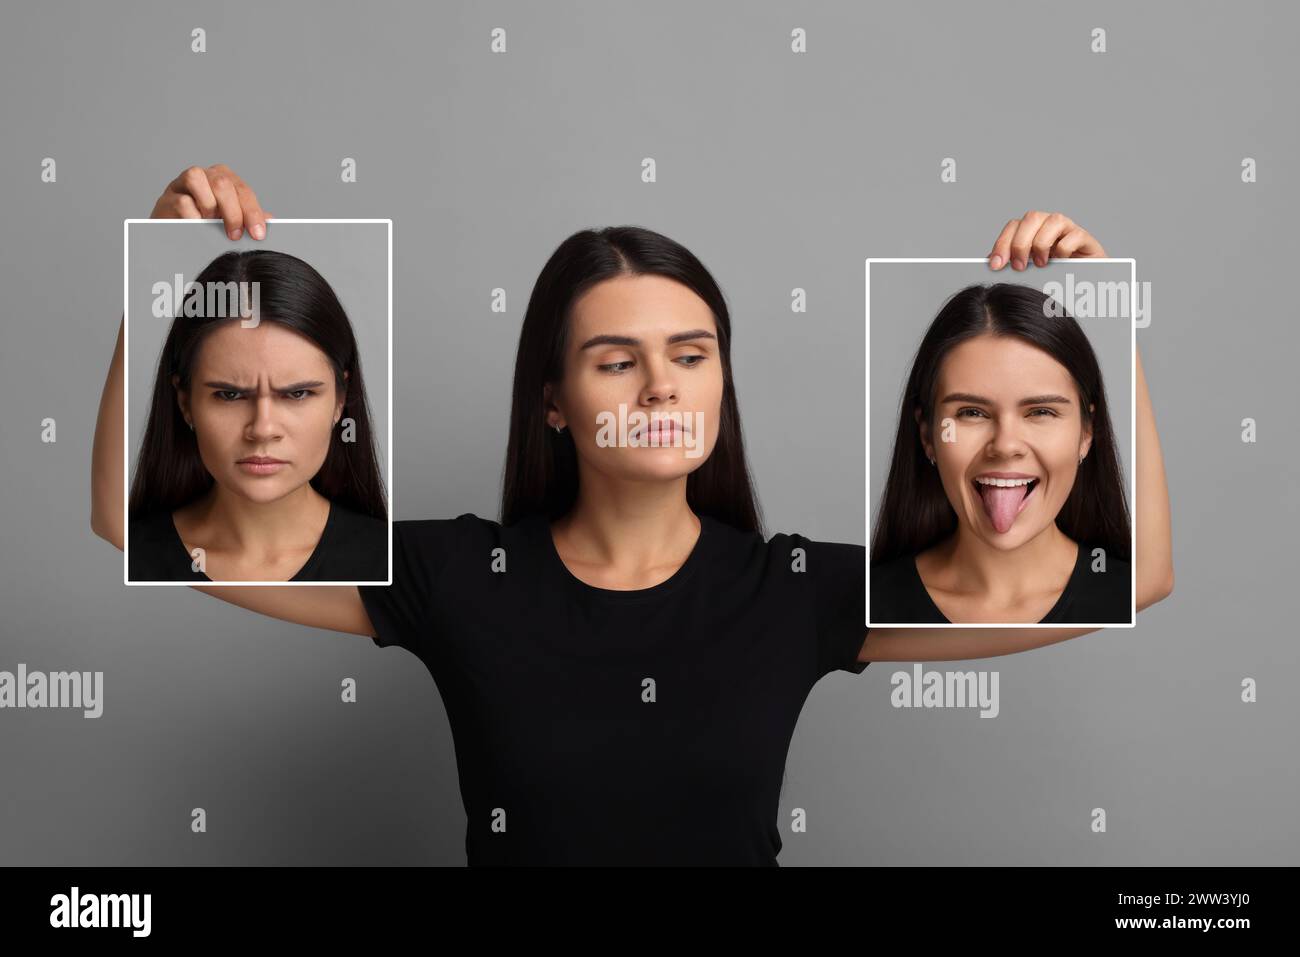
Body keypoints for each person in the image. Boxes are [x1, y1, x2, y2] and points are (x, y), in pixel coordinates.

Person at [90, 166, 1174, 865]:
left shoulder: (800, 594)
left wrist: (1108, 323)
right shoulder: (455, 576)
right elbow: (128, 530)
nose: (661, 389)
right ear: (555, 402)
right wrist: (158, 285)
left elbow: (1135, 578)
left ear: (718, 383)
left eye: (690, 357)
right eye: (618, 361)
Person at [871, 282, 1132, 624]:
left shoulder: (1131, 595)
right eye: (971, 413)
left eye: (1041, 412)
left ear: (1086, 433)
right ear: (927, 435)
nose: (1006, 446)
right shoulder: (869, 607)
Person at [125, 245, 387, 583]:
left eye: (297, 393)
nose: (262, 429)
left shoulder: (388, 562)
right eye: (230, 395)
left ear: (341, 400)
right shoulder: (134, 555)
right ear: (185, 402)